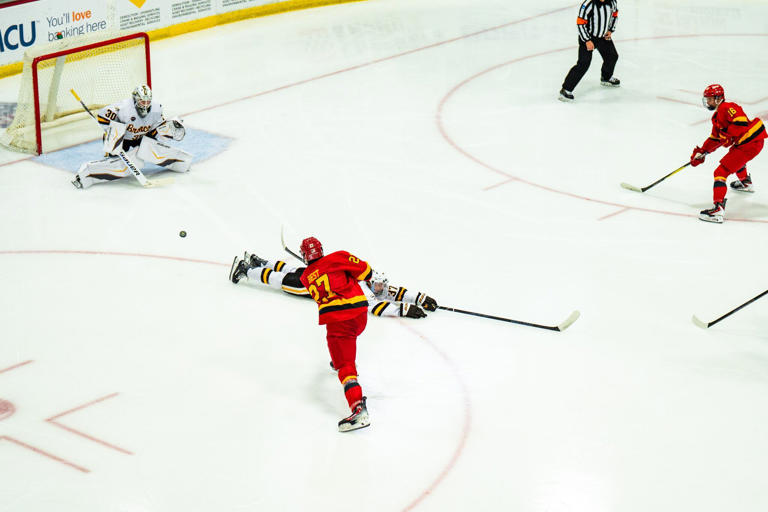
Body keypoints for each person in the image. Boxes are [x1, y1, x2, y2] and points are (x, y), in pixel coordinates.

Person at [228, 252, 438, 319]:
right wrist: (404, 310)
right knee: (284, 280)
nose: (383, 290)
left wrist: (418, 298)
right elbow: (377, 307)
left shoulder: (371, 280)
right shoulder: (365, 289)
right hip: (312, 289)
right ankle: (247, 269)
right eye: (379, 287)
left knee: (294, 271)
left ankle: (261, 262)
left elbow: (395, 292)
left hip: (323, 276)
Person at [72, 84, 192, 189]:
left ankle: (181, 162)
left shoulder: (156, 108)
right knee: (123, 166)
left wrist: (166, 130)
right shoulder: (123, 108)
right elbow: (102, 117)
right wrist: (114, 134)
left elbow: (158, 126)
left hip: (141, 137)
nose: (145, 105)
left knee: (148, 151)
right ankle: (86, 175)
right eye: (142, 101)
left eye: (147, 101)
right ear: (135, 99)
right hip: (123, 139)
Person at [691, 84, 766, 223]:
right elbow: (715, 138)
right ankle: (745, 183)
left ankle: (717, 210)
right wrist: (702, 151)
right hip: (748, 143)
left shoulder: (727, 107)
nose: (707, 102)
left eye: (710, 99)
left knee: (720, 172)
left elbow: (741, 121)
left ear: (719, 98)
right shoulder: (717, 116)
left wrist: (728, 135)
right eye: (706, 99)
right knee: (734, 158)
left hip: (750, 142)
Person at [559, 0, 620, 102]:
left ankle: (606, 77)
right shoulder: (588, 4)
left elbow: (614, 15)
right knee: (583, 64)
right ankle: (566, 89)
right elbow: (580, 23)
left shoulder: (612, 2)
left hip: (603, 37)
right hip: (588, 38)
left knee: (612, 56)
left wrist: (610, 30)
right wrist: (587, 40)